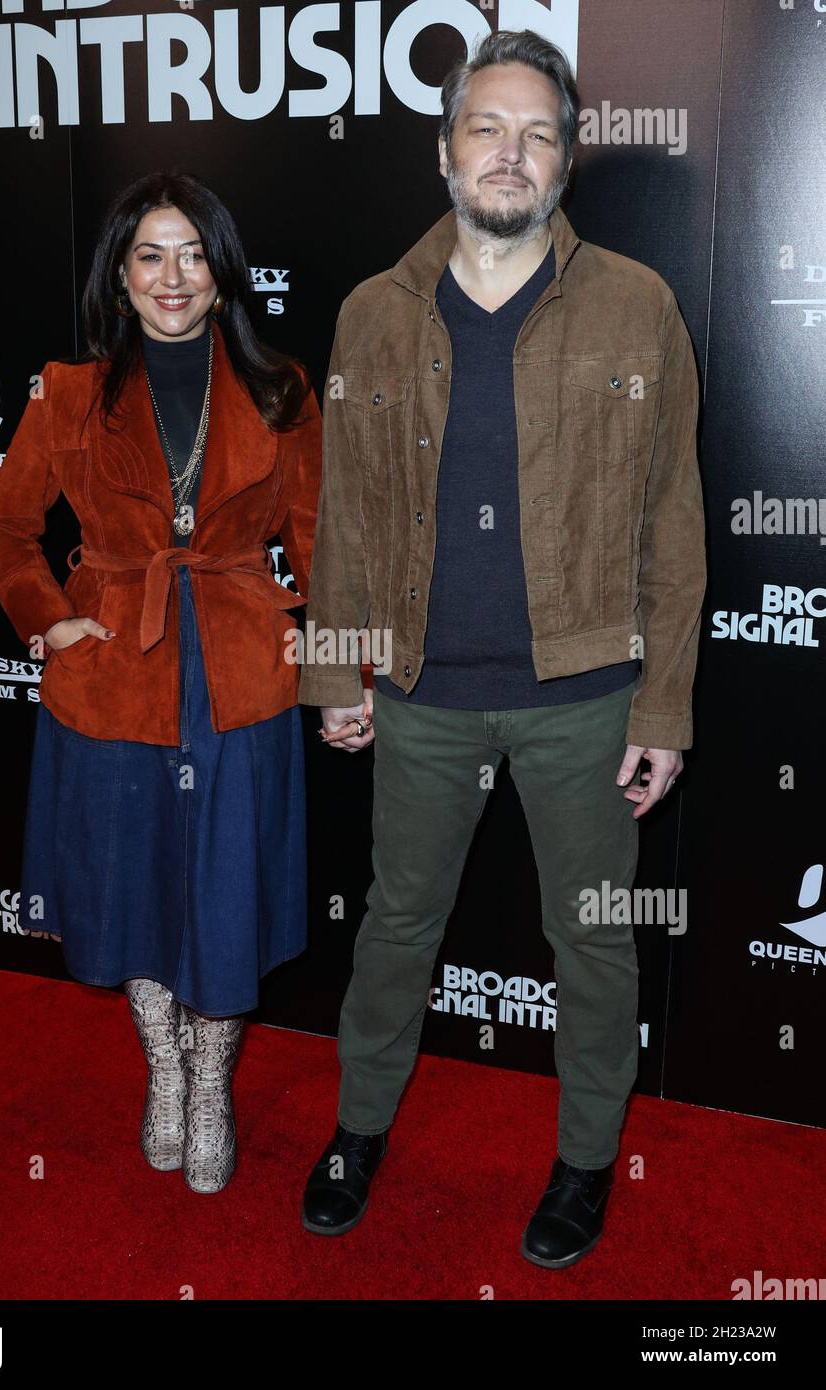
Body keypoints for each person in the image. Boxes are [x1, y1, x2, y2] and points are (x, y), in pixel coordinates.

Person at [296, 29, 706, 1266]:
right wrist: (337, 671)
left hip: (586, 694)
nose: (512, 152)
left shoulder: (638, 305)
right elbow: (350, 518)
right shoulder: (373, 313)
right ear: (444, 150)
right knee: (395, 925)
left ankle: (586, 1161)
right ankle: (357, 1130)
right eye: (489, 126)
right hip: (421, 692)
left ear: (568, 160)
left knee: (591, 936)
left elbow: (674, 519)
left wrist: (664, 708)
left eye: (539, 132)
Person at [0, 171, 322, 1194]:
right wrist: (51, 619)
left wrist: (340, 677)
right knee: (131, 892)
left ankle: (211, 1082)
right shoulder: (68, 394)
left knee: (223, 895)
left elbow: (322, 543)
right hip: (114, 676)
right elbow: (3, 528)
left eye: (192, 254)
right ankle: (162, 1070)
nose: (173, 277)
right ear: (119, 276)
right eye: (149, 255)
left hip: (241, 680)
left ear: (221, 272)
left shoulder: (282, 390)